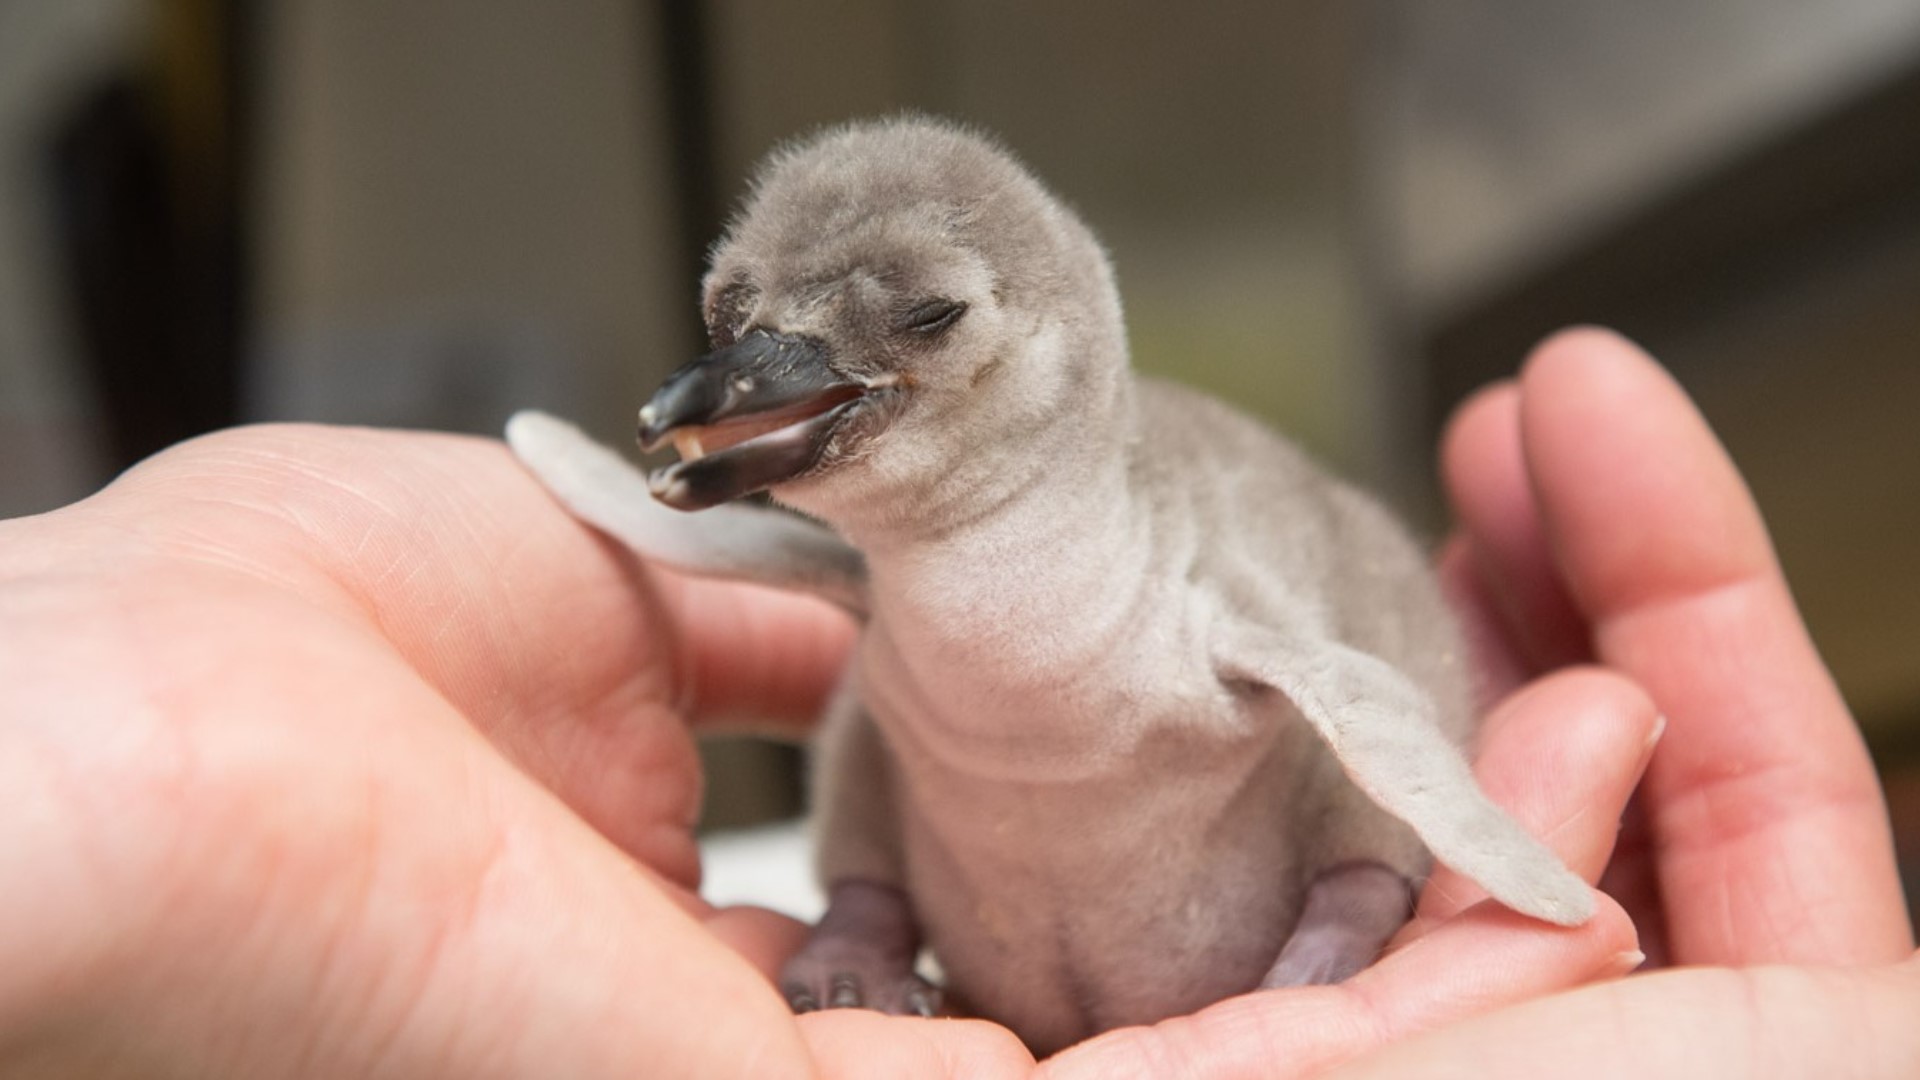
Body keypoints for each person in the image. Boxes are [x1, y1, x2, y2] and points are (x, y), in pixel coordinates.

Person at [0, 328, 1908, 1078]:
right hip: (962, 885)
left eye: (893, 336)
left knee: (1348, 767)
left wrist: (1429, 872)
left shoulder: (1168, 570)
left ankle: (1337, 903)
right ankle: (870, 905)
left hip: (1290, 848)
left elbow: (1363, 685)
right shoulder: (888, 574)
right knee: (887, 699)